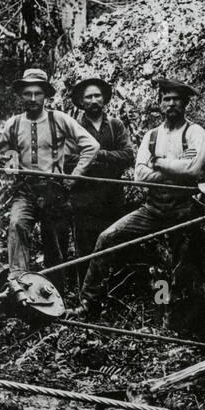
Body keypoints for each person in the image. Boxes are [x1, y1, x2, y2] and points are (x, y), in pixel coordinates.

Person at [79, 78, 205, 320]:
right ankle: (89, 302)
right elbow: (140, 175)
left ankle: (178, 320)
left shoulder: (194, 133)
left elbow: (192, 169)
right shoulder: (151, 135)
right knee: (107, 237)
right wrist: (174, 171)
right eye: (166, 99)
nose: (171, 104)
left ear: (185, 104)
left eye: (176, 99)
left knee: (184, 266)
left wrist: (158, 163)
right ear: (159, 103)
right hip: (153, 209)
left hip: (184, 210)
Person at [0, 68, 97, 275]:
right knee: (17, 227)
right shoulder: (13, 125)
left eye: (38, 93)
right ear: (21, 96)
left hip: (55, 192)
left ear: (45, 95)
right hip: (25, 192)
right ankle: (19, 286)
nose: (33, 98)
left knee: (54, 247)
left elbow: (91, 145)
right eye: (27, 93)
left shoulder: (59, 119)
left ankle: (54, 296)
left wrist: (74, 176)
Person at [66, 74, 135, 289]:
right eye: (88, 97)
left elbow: (128, 155)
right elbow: (68, 161)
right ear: (81, 102)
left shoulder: (116, 125)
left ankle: (113, 292)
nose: (94, 100)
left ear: (104, 99)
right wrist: (104, 160)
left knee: (114, 243)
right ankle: (86, 295)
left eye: (98, 96)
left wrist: (97, 155)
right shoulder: (73, 127)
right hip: (83, 197)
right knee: (85, 248)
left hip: (112, 196)